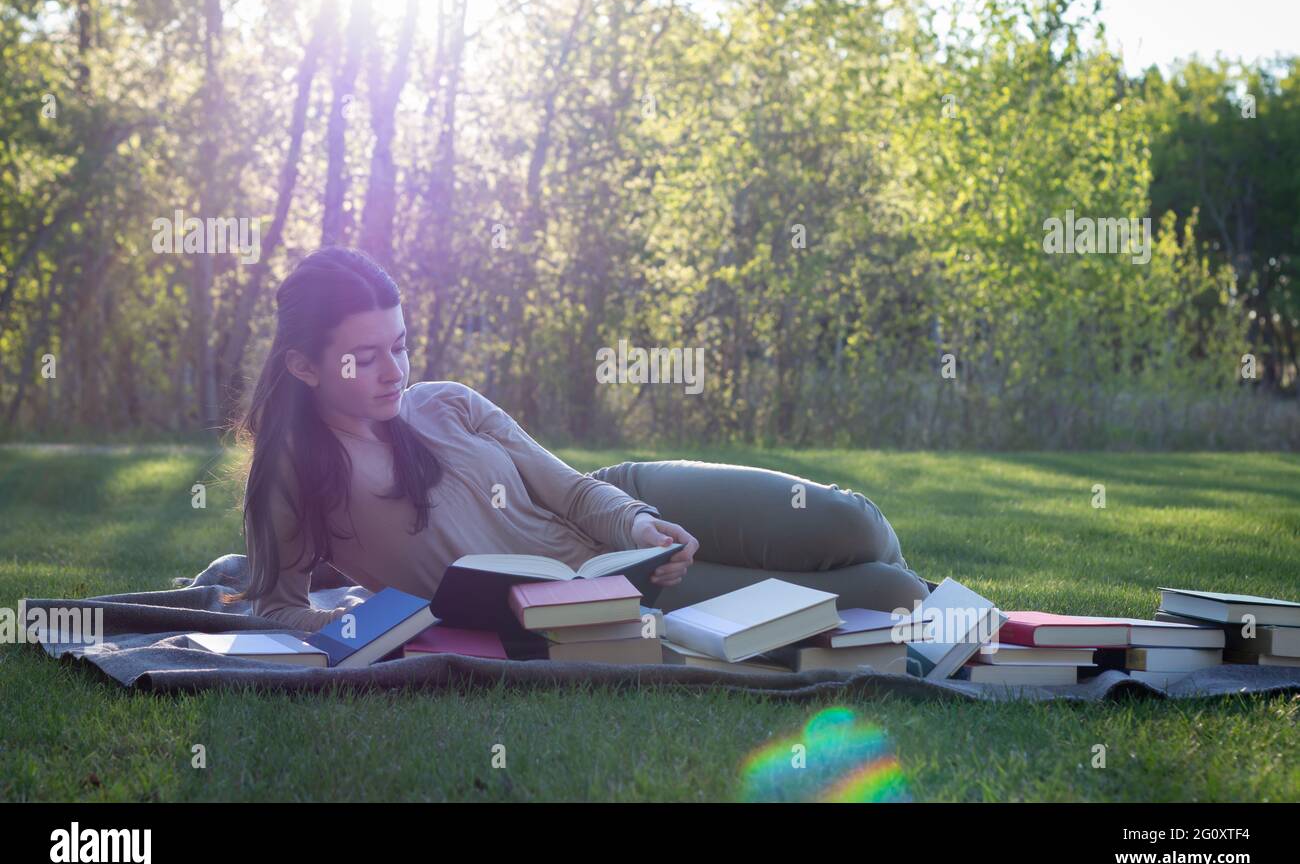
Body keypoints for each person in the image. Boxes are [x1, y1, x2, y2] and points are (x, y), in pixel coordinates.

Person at [224, 246, 930, 632]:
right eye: (365, 357)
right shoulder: (296, 474)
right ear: (304, 366)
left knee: (849, 521)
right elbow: (278, 604)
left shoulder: (444, 404)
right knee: (891, 593)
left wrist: (639, 521)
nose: (394, 372)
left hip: (619, 505)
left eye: (400, 345)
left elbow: (564, 485)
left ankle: (906, 593)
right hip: (597, 598)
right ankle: (919, 605)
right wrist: (378, 627)